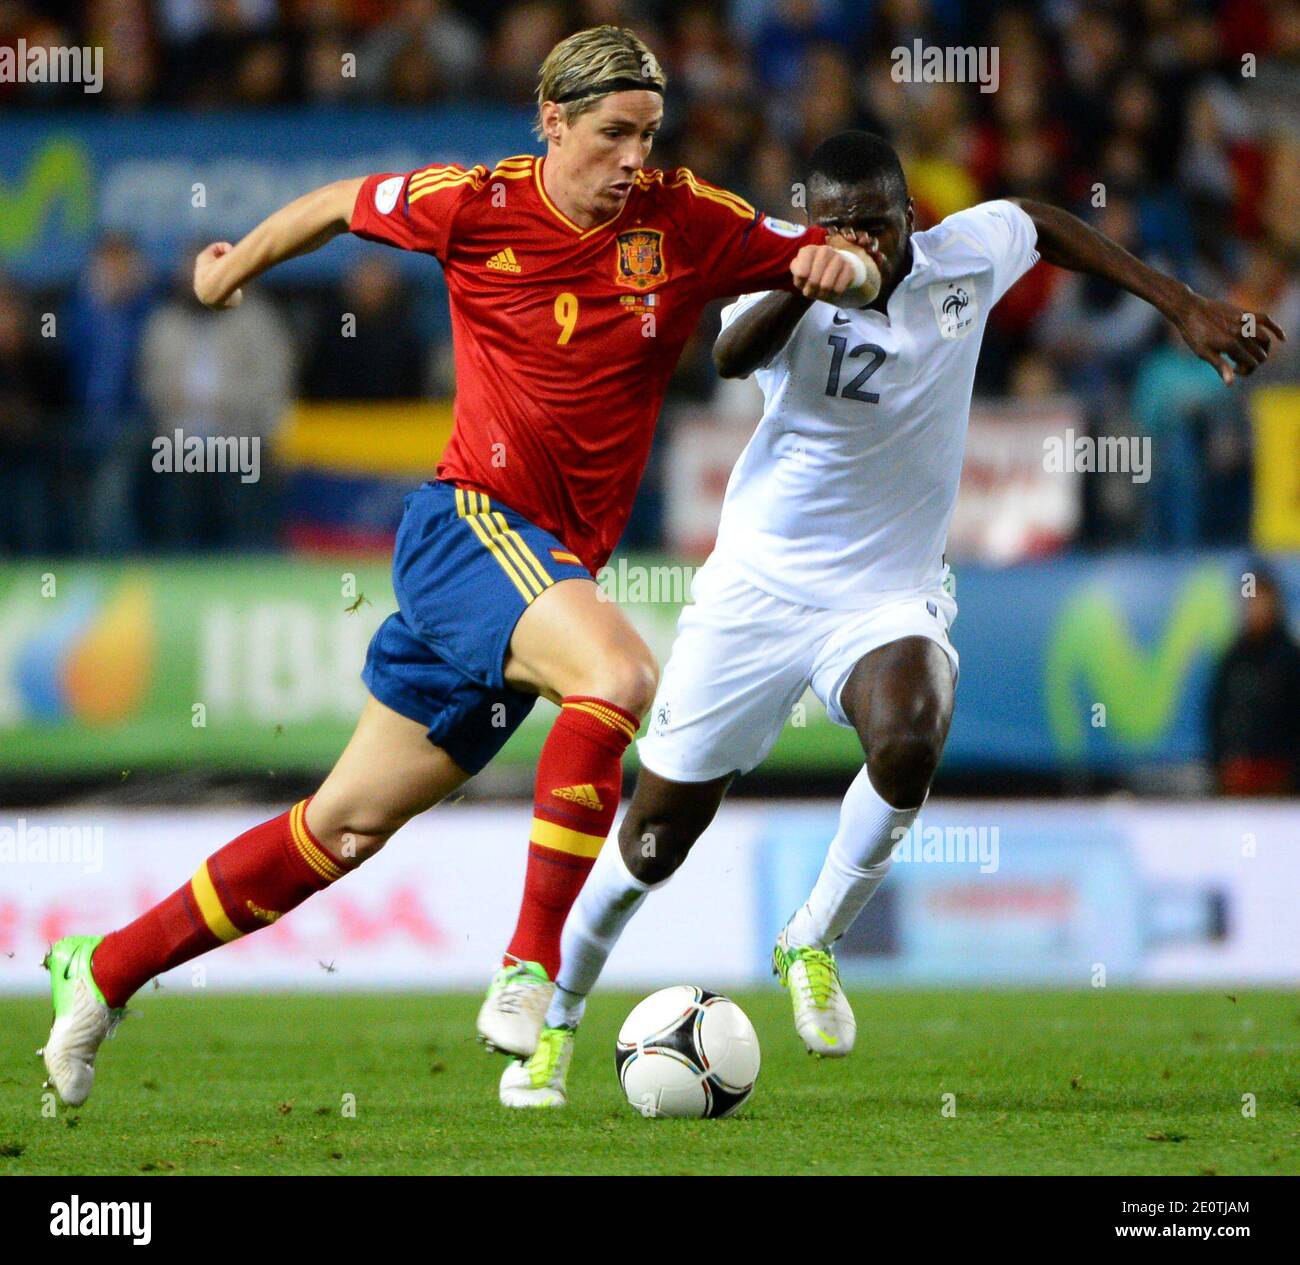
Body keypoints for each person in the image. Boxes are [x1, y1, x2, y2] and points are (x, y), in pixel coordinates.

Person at [38, 25, 872, 1110]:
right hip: (466, 524)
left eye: (648, 134)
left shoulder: (687, 220)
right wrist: (230, 267)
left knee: (341, 825)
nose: (632, 157)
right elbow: (341, 199)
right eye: (612, 133)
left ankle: (100, 968)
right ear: (552, 121)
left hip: (540, 573)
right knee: (617, 677)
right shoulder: (473, 204)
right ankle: (528, 969)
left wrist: (838, 263)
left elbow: (841, 253)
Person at [534, 129, 1287, 1106]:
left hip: (886, 592)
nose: (858, 239)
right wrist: (803, 279)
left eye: (875, 223)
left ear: (910, 220)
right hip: (754, 593)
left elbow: (1045, 226)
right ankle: (555, 1008)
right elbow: (725, 354)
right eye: (837, 221)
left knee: (911, 729)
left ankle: (809, 937)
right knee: (653, 841)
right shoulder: (777, 272)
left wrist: (1183, 305)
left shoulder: (959, 257)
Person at [1207, 565, 1300, 795]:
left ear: (1275, 604)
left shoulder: (1289, 659)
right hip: (1236, 776)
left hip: (1280, 778)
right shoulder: (1233, 658)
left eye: (1262, 601)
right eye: (1251, 602)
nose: (1256, 609)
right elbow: (1216, 714)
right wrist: (1222, 762)